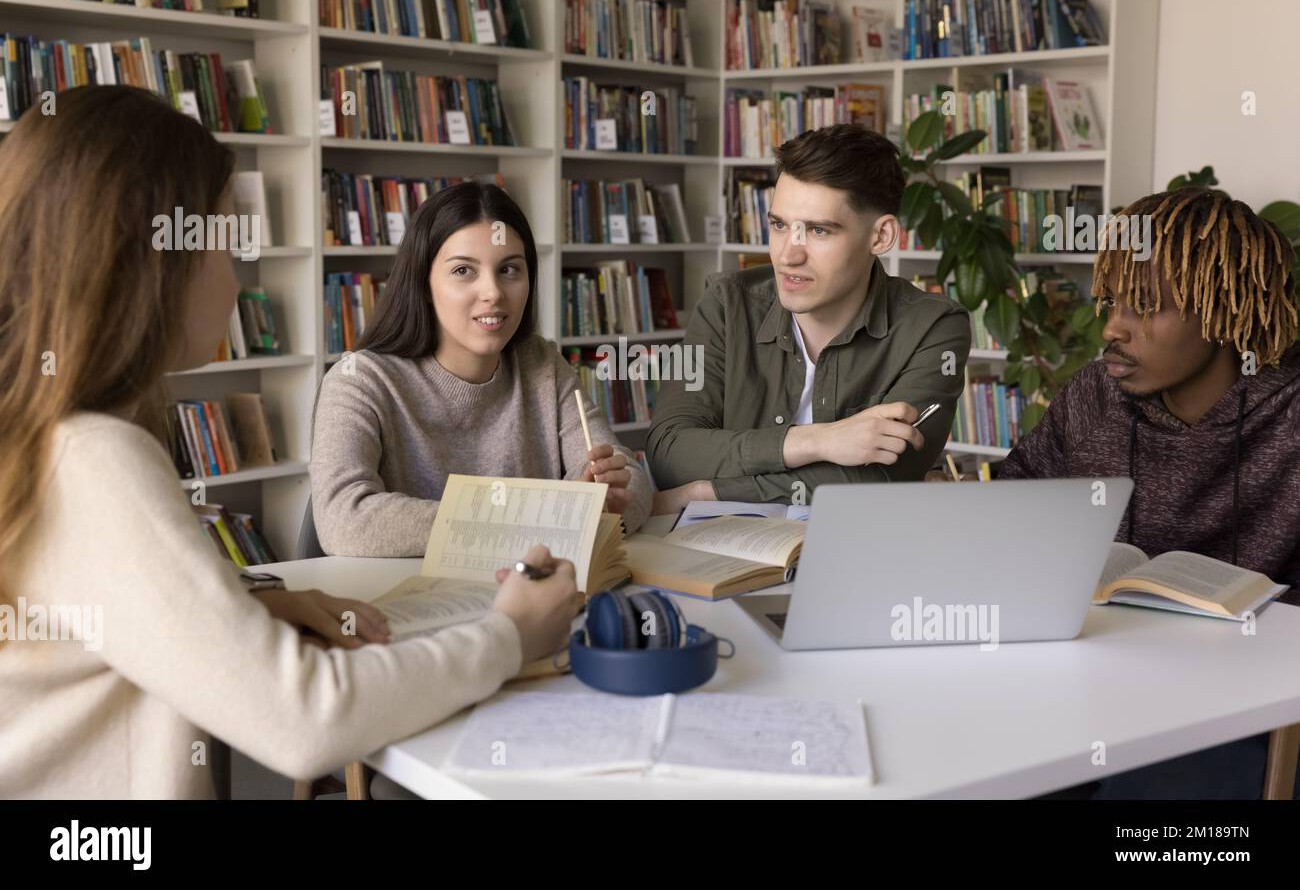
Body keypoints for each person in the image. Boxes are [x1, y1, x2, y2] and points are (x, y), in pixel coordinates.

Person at [0, 86, 580, 798]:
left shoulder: (50, 440)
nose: (240, 277)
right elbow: (305, 716)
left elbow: (114, 619)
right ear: (149, 262)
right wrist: (512, 636)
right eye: (221, 241)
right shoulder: (93, 460)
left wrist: (256, 603)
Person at [1001, 187, 1300, 798]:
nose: (1113, 326)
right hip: (1102, 682)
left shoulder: (1292, 413)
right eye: (1111, 301)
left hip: (1252, 713)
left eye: (1145, 306)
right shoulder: (1096, 394)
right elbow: (1013, 507)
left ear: (1222, 311)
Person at [310, 182, 652, 556]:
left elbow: (628, 478)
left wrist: (606, 503)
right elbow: (345, 521)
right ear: (424, 283)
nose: (493, 292)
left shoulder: (542, 365)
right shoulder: (359, 381)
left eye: (509, 269)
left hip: (532, 594)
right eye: (463, 271)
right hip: (411, 605)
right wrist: (547, 515)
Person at [647, 124, 971, 510]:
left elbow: (883, 477)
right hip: (721, 555)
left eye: (818, 230)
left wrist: (705, 493)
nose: (788, 255)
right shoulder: (726, 304)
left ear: (881, 237)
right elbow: (670, 453)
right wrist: (820, 440)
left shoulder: (933, 327)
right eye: (779, 225)